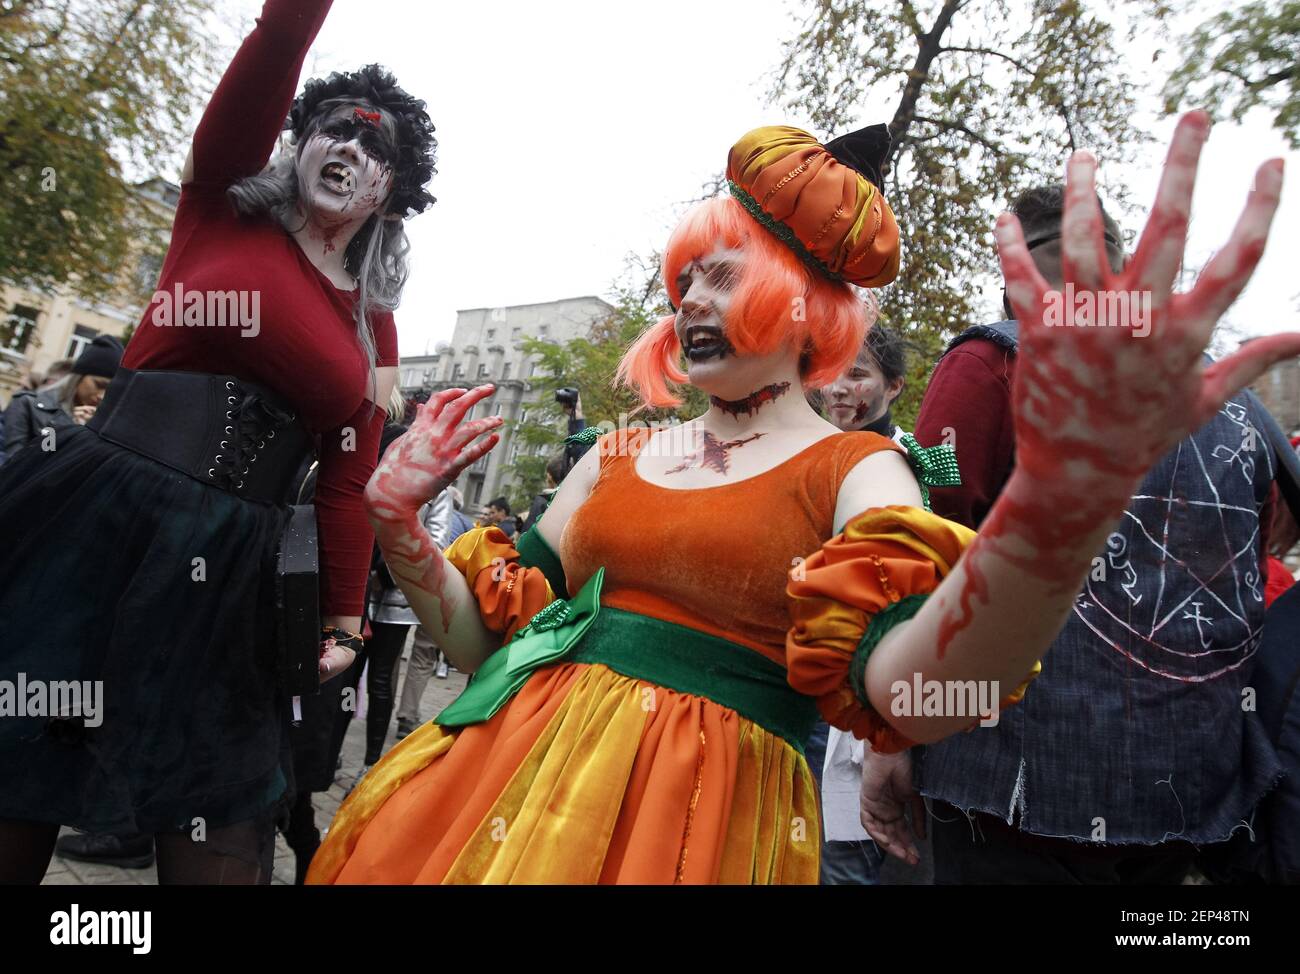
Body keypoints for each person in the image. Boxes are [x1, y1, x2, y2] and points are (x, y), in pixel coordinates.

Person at [310, 114, 1298, 884]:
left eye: (720, 274)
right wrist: (401, 530)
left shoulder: (859, 469)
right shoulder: (615, 453)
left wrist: (1056, 513)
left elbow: (912, 694)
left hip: (697, 826)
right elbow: (489, 645)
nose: (687, 299)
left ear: (798, 305)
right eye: (681, 280)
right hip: (499, 787)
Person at [0, 0, 436, 884]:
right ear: (297, 142)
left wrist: (346, 622)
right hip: (97, 522)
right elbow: (278, 40)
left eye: (376, 147)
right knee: (18, 778)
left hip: (232, 573)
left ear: (396, 187)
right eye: (333, 130)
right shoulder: (220, 204)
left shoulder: (377, 336)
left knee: (225, 827)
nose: (350, 151)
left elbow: (346, 485)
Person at [862, 181, 1287, 884]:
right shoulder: (1235, 397)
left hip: (1011, 794)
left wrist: (889, 732)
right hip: (1186, 792)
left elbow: (924, 546)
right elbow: (1261, 551)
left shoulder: (984, 364)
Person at [804, 322, 913, 885]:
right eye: (831, 374)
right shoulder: (803, 452)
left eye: (859, 374)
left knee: (841, 860)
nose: (840, 388)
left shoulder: (910, 466)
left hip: (856, 708)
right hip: (784, 688)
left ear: (893, 387)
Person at [2, 336, 122, 461]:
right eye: (99, 385)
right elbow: (13, 463)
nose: (101, 395)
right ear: (78, 378)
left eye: (110, 390)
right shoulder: (27, 404)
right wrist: (71, 429)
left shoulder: (103, 423)